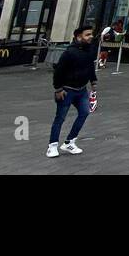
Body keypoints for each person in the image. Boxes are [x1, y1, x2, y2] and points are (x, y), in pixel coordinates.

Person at [48, 25, 98, 157]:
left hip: (81, 90)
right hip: (67, 90)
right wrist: (58, 89)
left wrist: (93, 81)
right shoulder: (69, 53)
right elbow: (58, 72)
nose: (91, 37)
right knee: (60, 118)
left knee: (84, 112)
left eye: (91, 34)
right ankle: (52, 146)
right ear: (78, 37)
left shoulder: (89, 50)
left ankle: (70, 141)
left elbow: (90, 67)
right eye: (87, 35)